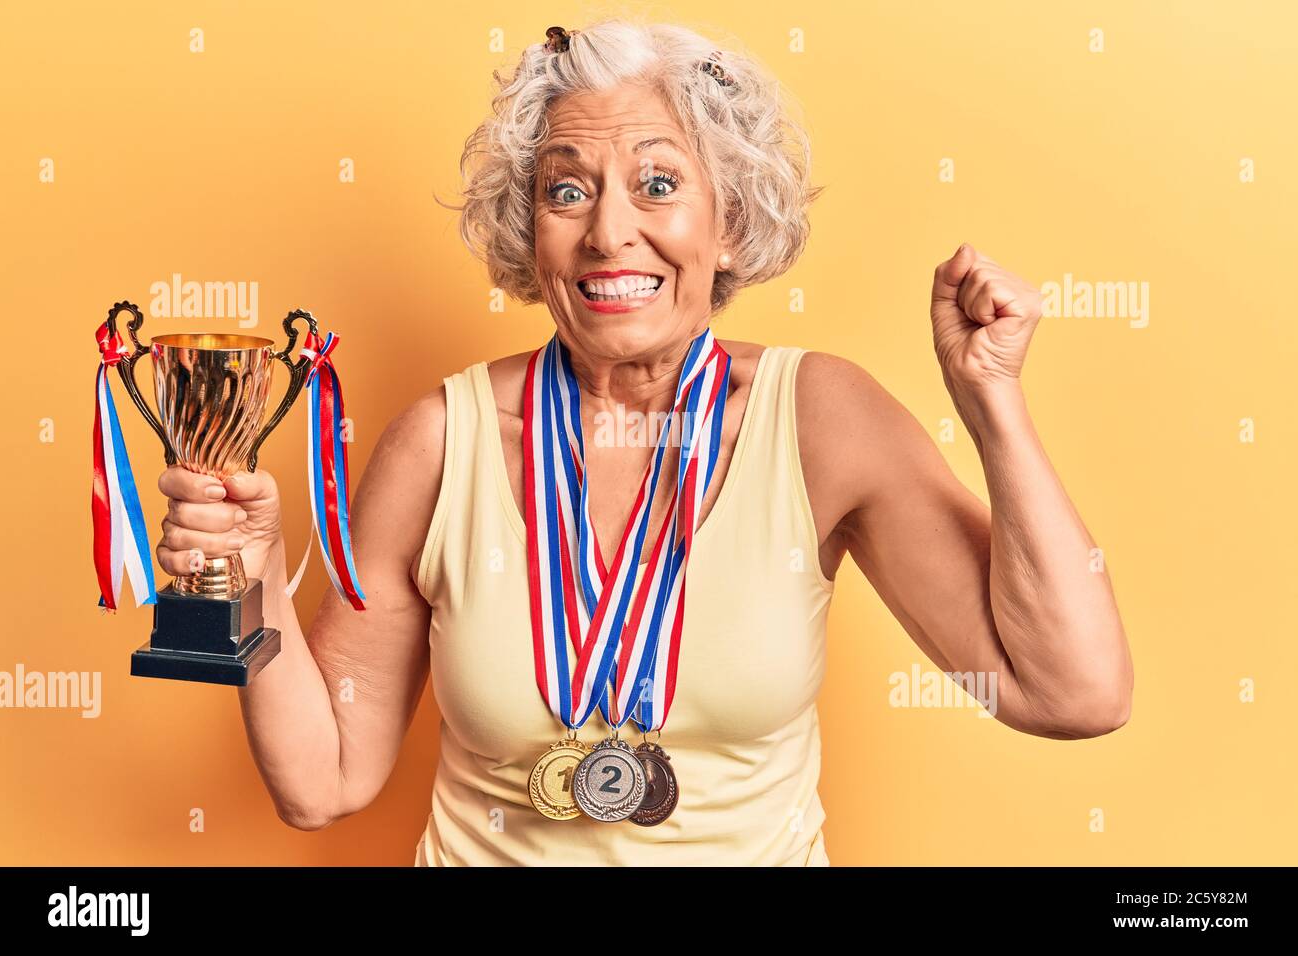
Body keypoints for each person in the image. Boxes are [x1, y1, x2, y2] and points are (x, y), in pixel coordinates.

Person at [154, 19, 1132, 866]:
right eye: (566, 191)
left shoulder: (818, 418)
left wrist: (988, 398)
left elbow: (1073, 690)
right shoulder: (440, 440)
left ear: (730, 219)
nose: (608, 232)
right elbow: (320, 783)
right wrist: (253, 575)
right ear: (527, 230)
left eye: (657, 182)